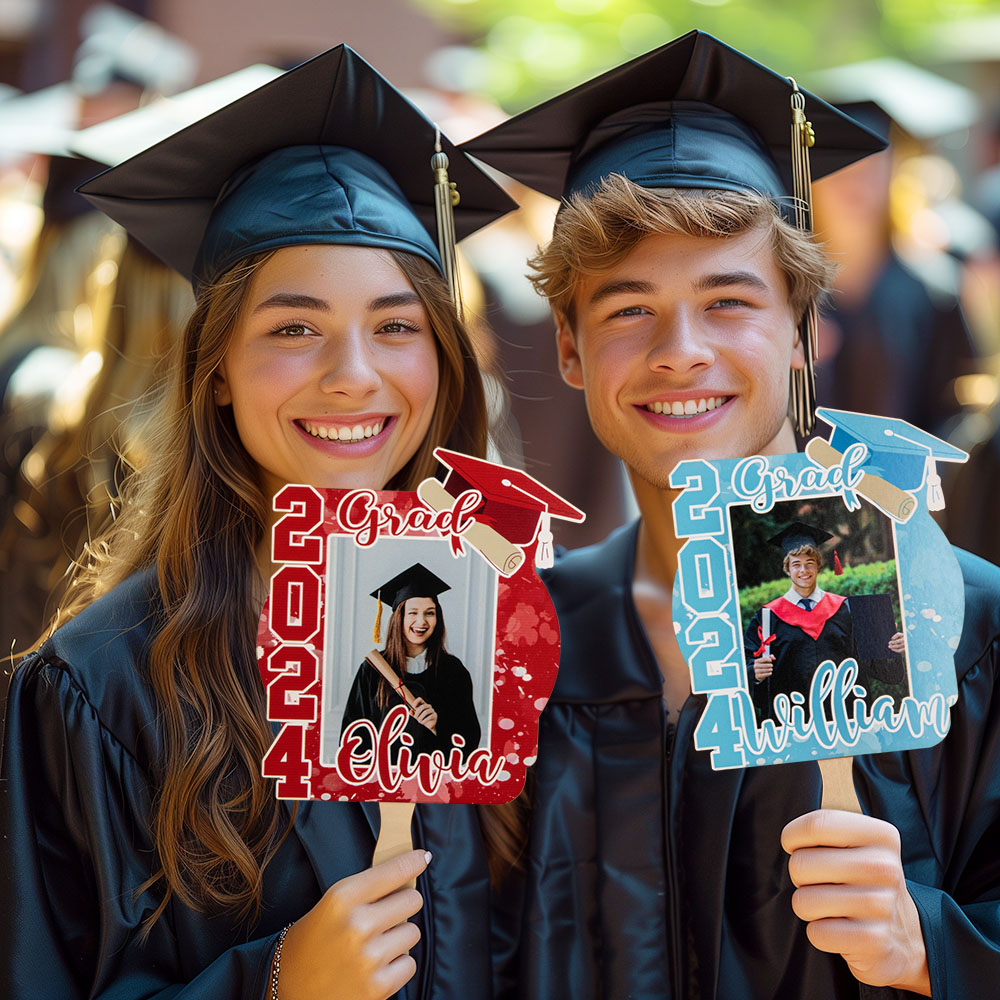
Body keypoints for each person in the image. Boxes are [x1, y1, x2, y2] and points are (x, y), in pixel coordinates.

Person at [464, 29, 1000, 999]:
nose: (680, 351)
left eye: (727, 301)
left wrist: (929, 946)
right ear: (570, 348)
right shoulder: (518, 645)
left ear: (800, 330)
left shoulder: (962, 626)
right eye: (628, 308)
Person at [0, 46, 515, 1000]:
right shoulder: (102, 689)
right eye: (294, 327)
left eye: (397, 325)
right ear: (217, 373)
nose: (353, 371)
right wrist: (276, 983)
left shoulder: (497, 628)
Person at [746, 521, 906, 721]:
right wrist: (755, 673)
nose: (803, 570)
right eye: (796, 564)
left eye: (810, 563)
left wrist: (892, 648)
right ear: (787, 569)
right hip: (792, 721)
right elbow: (746, 667)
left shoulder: (848, 609)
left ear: (818, 566)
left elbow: (883, 670)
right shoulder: (767, 617)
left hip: (846, 718)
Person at [341, 563, 482, 761]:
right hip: (384, 782)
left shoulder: (453, 671)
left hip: (434, 781)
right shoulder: (374, 670)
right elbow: (353, 737)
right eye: (413, 612)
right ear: (399, 617)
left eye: (429, 613)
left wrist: (436, 727)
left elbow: (469, 738)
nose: (421, 621)